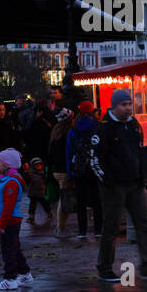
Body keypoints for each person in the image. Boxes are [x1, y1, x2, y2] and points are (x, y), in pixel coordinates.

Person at [90, 88, 147, 282]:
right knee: (111, 228)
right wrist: (108, 182)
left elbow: (140, 152)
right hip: (114, 186)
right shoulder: (104, 129)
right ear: (114, 106)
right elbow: (95, 160)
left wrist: (142, 180)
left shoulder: (133, 125)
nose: (128, 108)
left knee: (144, 224)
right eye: (123, 105)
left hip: (134, 184)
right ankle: (105, 267)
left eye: (129, 104)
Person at [0, 148, 33, 290]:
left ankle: (10, 278)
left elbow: (8, 205)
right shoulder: (5, 181)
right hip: (10, 220)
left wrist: (2, 223)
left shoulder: (10, 183)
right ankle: (24, 272)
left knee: (8, 249)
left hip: (10, 221)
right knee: (14, 247)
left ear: (6, 165)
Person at [67, 101, 103, 239]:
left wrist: (70, 171)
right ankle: (98, 229)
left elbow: (69, 152)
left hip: (79, 168)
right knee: (97, 200)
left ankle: (82, 231)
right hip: (95, 167)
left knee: (81, 201)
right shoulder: (98, 126)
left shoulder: (74, 129)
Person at [48, 107, 75, 237]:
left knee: (62, 197)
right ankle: (60, 227)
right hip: (64, 169)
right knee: (64, 199)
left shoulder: (56, 131)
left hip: (56, 169)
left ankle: (61, 227)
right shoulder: (68, 133)